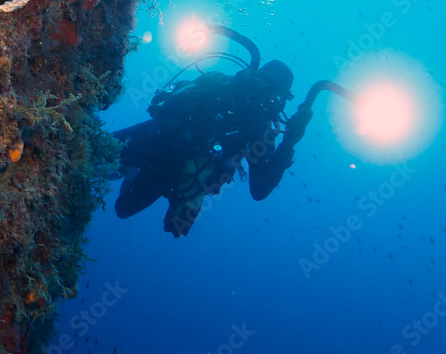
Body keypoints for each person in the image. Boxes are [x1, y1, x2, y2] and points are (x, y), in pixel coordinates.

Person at [111, 60, 313, 237]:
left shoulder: (260, 131)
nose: (265, 94)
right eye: (264, 81)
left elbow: (260, 189)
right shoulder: (220, 81)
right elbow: (166, 106)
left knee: (124, 209)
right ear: (255, 75)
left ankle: (131, 169)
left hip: (173, 175)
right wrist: (230, 89)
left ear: (282, 101)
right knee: (97, 152)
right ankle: (126, 164)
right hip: (154, 141)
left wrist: (289, 142)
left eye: (273, 95)